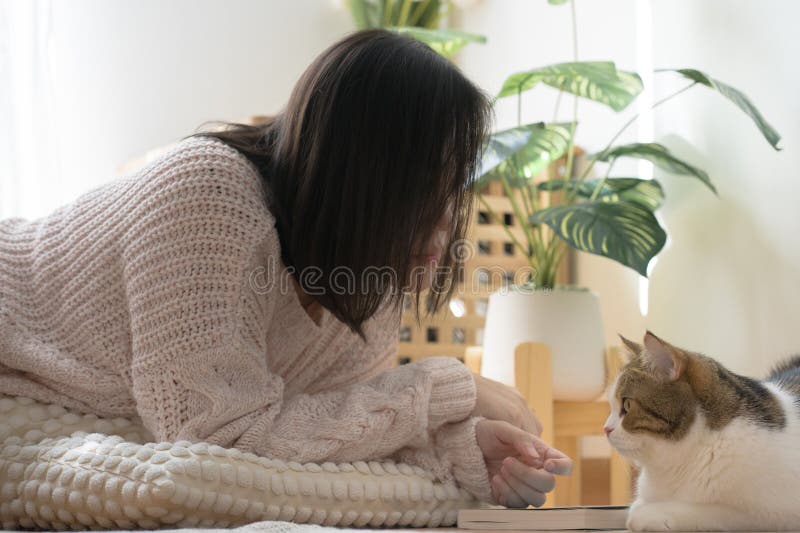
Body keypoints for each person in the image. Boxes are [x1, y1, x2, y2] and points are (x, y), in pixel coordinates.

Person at [0, 28, 571, 508]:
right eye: (427, 189)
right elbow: (216, 430)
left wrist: (467, 450)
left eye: (453, 190)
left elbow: (333, 426)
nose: (446, 222)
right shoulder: (208, 192)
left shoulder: (365, 287)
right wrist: (451, 384)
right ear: (367, 178)